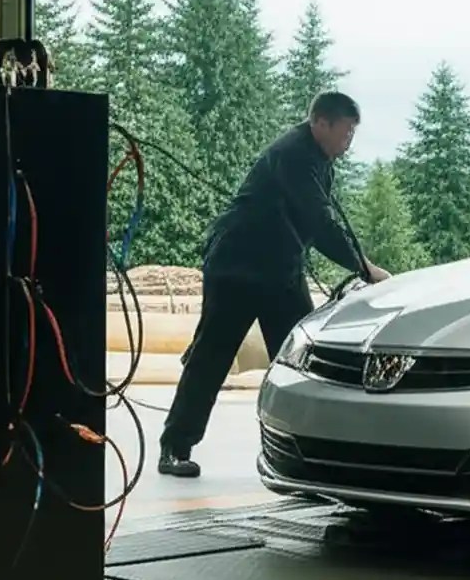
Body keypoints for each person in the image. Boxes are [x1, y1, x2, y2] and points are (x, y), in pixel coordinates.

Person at [157, 91, 390, 478]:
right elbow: (320, 222)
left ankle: (311, 454)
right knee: (212, 358)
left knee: (303, 363)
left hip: (280, 270)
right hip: (238, 267)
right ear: (321, 123)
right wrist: (366, 268)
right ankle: (174, 447)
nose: (348, 141)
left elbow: (318, 222)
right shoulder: (294, 154)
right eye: (345, 132)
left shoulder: (320, 159)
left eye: (353, 134)